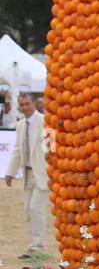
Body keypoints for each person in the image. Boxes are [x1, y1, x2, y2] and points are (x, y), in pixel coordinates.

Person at [4, 93, 49, 258]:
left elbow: (51, 147)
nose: (24, 107)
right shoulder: (20, 125)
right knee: (28, 210)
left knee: (35, 209)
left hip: (43, 173)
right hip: (28, 174)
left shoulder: (45, 121)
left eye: (27, 104)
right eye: (21, 105)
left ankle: (38, 247)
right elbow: (17, 150)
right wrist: (10, 172)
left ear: (34, 104)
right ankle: (33, 247)